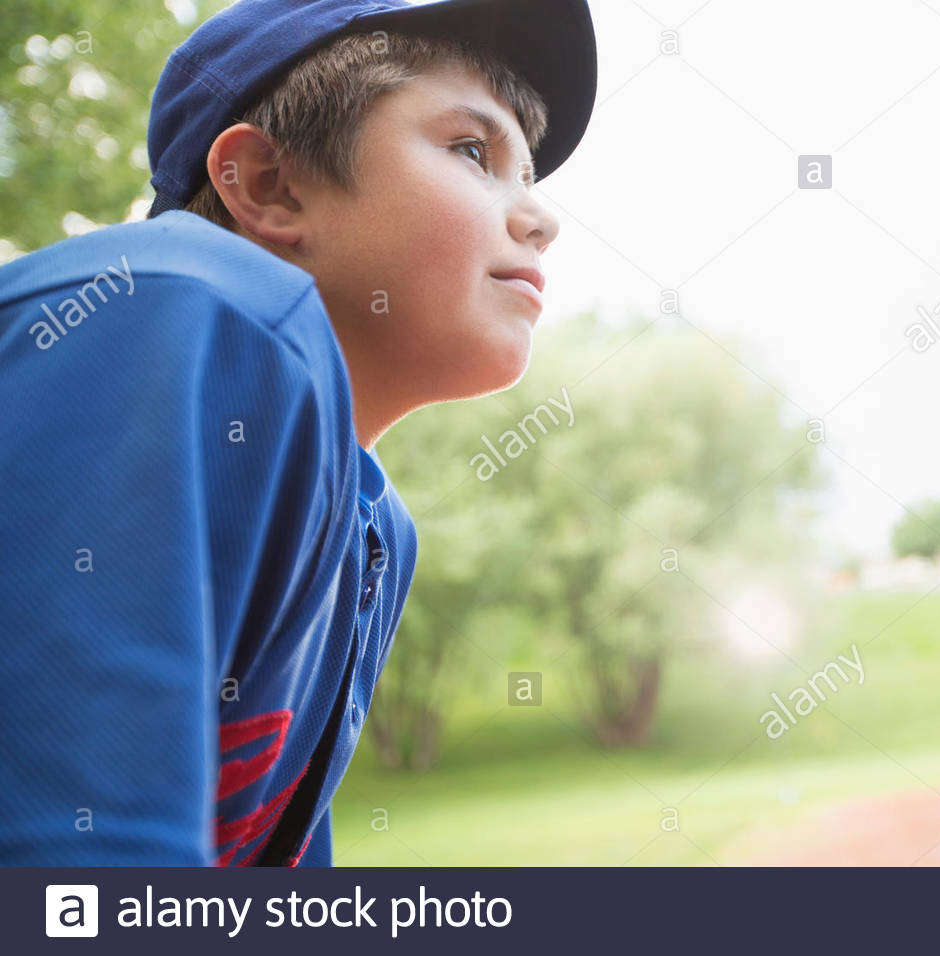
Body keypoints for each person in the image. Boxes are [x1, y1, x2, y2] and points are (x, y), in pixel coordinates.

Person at [0, 0, 596, 865]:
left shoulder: (377, 531)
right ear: (273, 186)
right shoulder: (174, 303)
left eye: (529, 177)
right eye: (474, 152)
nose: (539, 218)